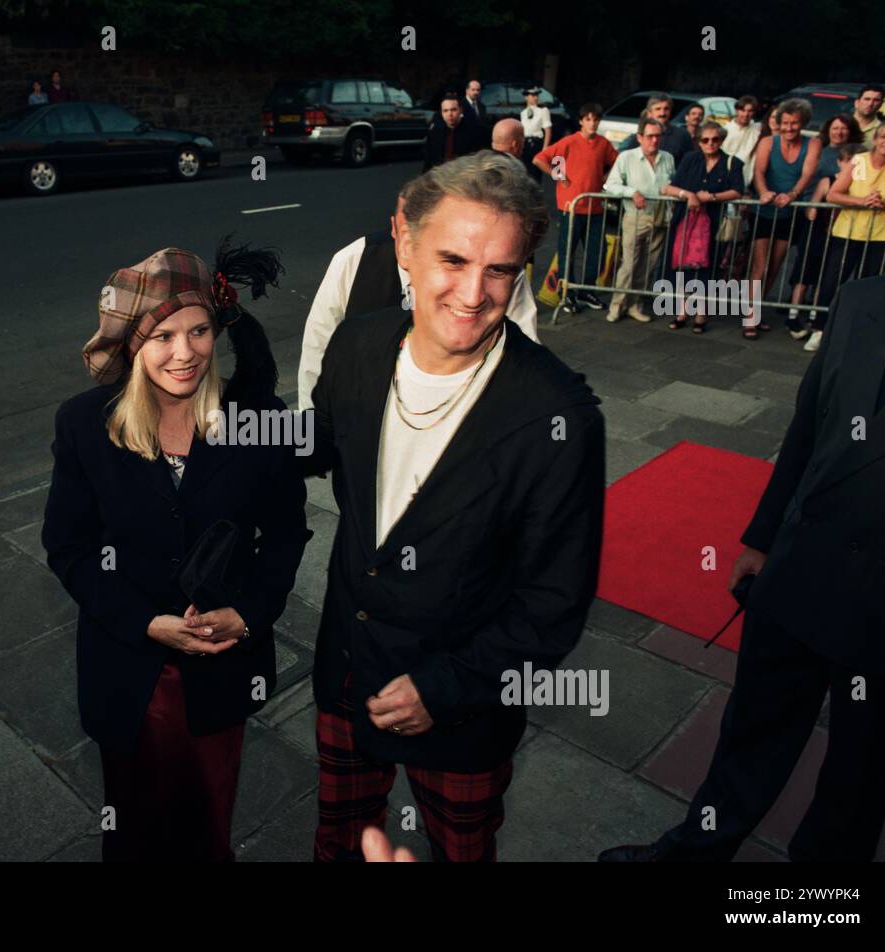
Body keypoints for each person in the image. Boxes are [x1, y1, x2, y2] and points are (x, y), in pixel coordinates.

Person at [302, 153, 605, 862]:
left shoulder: (558, 416)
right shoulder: (359, 343)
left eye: (500, 269)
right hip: (348, 663)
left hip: (463, 709)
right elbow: (317, 446)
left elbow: (555, 603)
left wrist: (447, 685)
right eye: (452, 259)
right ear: (403, 243)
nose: (474, 293)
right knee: (341, 843)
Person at [600, 267, 885, 864]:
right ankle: (693, 855)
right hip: (801, 568)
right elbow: (808, 427)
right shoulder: (864, 296)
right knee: (750, 734)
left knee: (861, 773)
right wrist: (762, 537)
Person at [42, 241, 310, 862]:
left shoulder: (259, 420)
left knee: (206, 825)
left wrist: (248, 613)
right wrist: (144, 622)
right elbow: (69, 547)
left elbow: (288, 535)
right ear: (135, 345)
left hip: (221, 669)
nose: (184, 352)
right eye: (163, 336)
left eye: (198, 331)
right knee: (132, 828)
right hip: (126, 668)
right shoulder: (84, 424)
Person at [297, 186, 542, 412]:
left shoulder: (492, 269)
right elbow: (317, 349)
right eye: (406, 232)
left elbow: (527, 356)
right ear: (394, 228)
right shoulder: (352, 261)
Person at [809, 121, 885, 354]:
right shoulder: (859, 160)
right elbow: (835, 194)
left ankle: (856, 332)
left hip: (883, 233)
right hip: (849, 230)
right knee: (833, 280)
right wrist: (863, 201)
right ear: (874, 139)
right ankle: (819, 328)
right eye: (883, 136)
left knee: (869, 283)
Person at [745, 98, 821, 338]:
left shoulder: (814, 143)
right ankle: (750, 317)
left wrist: (792, 194)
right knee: (760, 266)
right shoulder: (768, 142)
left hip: (789, 212)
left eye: (794, 123)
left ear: (803, 123)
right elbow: (758, 171)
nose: (789, 128)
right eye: (785, 123)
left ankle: (755, 310)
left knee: (775, 267)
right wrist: (764, 191)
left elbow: (807, 174)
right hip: (765, 210)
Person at [533, 102, 618, 314]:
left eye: (595, 120)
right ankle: (567, 293)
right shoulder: (569, 142)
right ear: (581, 121)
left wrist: (606, 177)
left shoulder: (603, 144)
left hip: (595, 208)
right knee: (567, 253)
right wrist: (558, 176)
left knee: (595, 252)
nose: (592, 123)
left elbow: (617, 161)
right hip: (571, 207)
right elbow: (540, 159)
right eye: (588, 119)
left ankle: (586, 290)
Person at [659, 121, 745, 332]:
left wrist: (713, 197)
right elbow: (670, 186)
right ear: (698, 141)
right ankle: (682, 311)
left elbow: (737, 190)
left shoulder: (732, 163)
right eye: (705, 140)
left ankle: (701, 315)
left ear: (722, 140)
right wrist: (690, 195)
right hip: (685, 221)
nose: (710, 143)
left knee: (708, 267)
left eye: (715, 139)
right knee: (682, 265)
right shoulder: (690, 159)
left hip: (714, 222)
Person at [786, 143, 864, 343]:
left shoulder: (861, 185)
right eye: (846, 162)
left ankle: (815, 315)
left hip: (841, 237)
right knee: (804, 275)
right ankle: (793, 314)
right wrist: (813, 211)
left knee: (826, 277)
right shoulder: (827, 181)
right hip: (818, 233)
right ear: (839, 162)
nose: (849, 166)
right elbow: (812, 205)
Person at [604, 117, 675, 323]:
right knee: (629, 264)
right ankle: (617, 305)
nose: (654, 140)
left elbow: (671, 182)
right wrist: (632, 192)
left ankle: (636, 305)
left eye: (657, 136)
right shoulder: (627, 157)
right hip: (635, 216)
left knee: (649, 264)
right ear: (640, 137)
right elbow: (611, 185)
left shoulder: (667, 158)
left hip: (660, 216)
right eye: (650, 136)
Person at [619, 94, 693, 164]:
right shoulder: (639, 137)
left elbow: (690, 164)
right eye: (658, 109)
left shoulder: (682, 135)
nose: (662, 113)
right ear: (649, 113)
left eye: (666, 109)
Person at [422, 94, 480, 172]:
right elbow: (428, 162)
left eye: (453, 110)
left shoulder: (474, 132)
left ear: (461, 110)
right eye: (445, 111)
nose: (449, 114)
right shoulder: (435, 133)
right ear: (441, 113)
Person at [723, 96, 762, 184]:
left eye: (750, 111)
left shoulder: (758, 129)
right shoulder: (725, 130)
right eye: (743, 110)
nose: (746, 114)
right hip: (726, 177)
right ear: (737, 110)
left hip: (748, 178)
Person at [519, 88, 553, 181]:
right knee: (525, 171)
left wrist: (545, 147)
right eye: (533, 95)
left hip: (536, 143)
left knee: (536, 172)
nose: (536, 98)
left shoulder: (543, 111)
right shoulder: (523, 113)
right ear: (526, 97)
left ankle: (536, 192)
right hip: (526, 143)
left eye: (537, 95)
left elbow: (548, 129)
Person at [817, 114, 861, 179]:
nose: (839, 133)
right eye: (835, 128)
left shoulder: (859, 153)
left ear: (851, 132)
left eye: (844, 129)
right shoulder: (816, 150)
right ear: (828, 130)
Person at [461, 79, 493, 151]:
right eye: (473, 90)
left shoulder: (482, 106)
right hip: (465, 145)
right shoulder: (460, 105)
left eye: (478, 90)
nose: (476, 92)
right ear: (467, 90)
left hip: (479, 146)